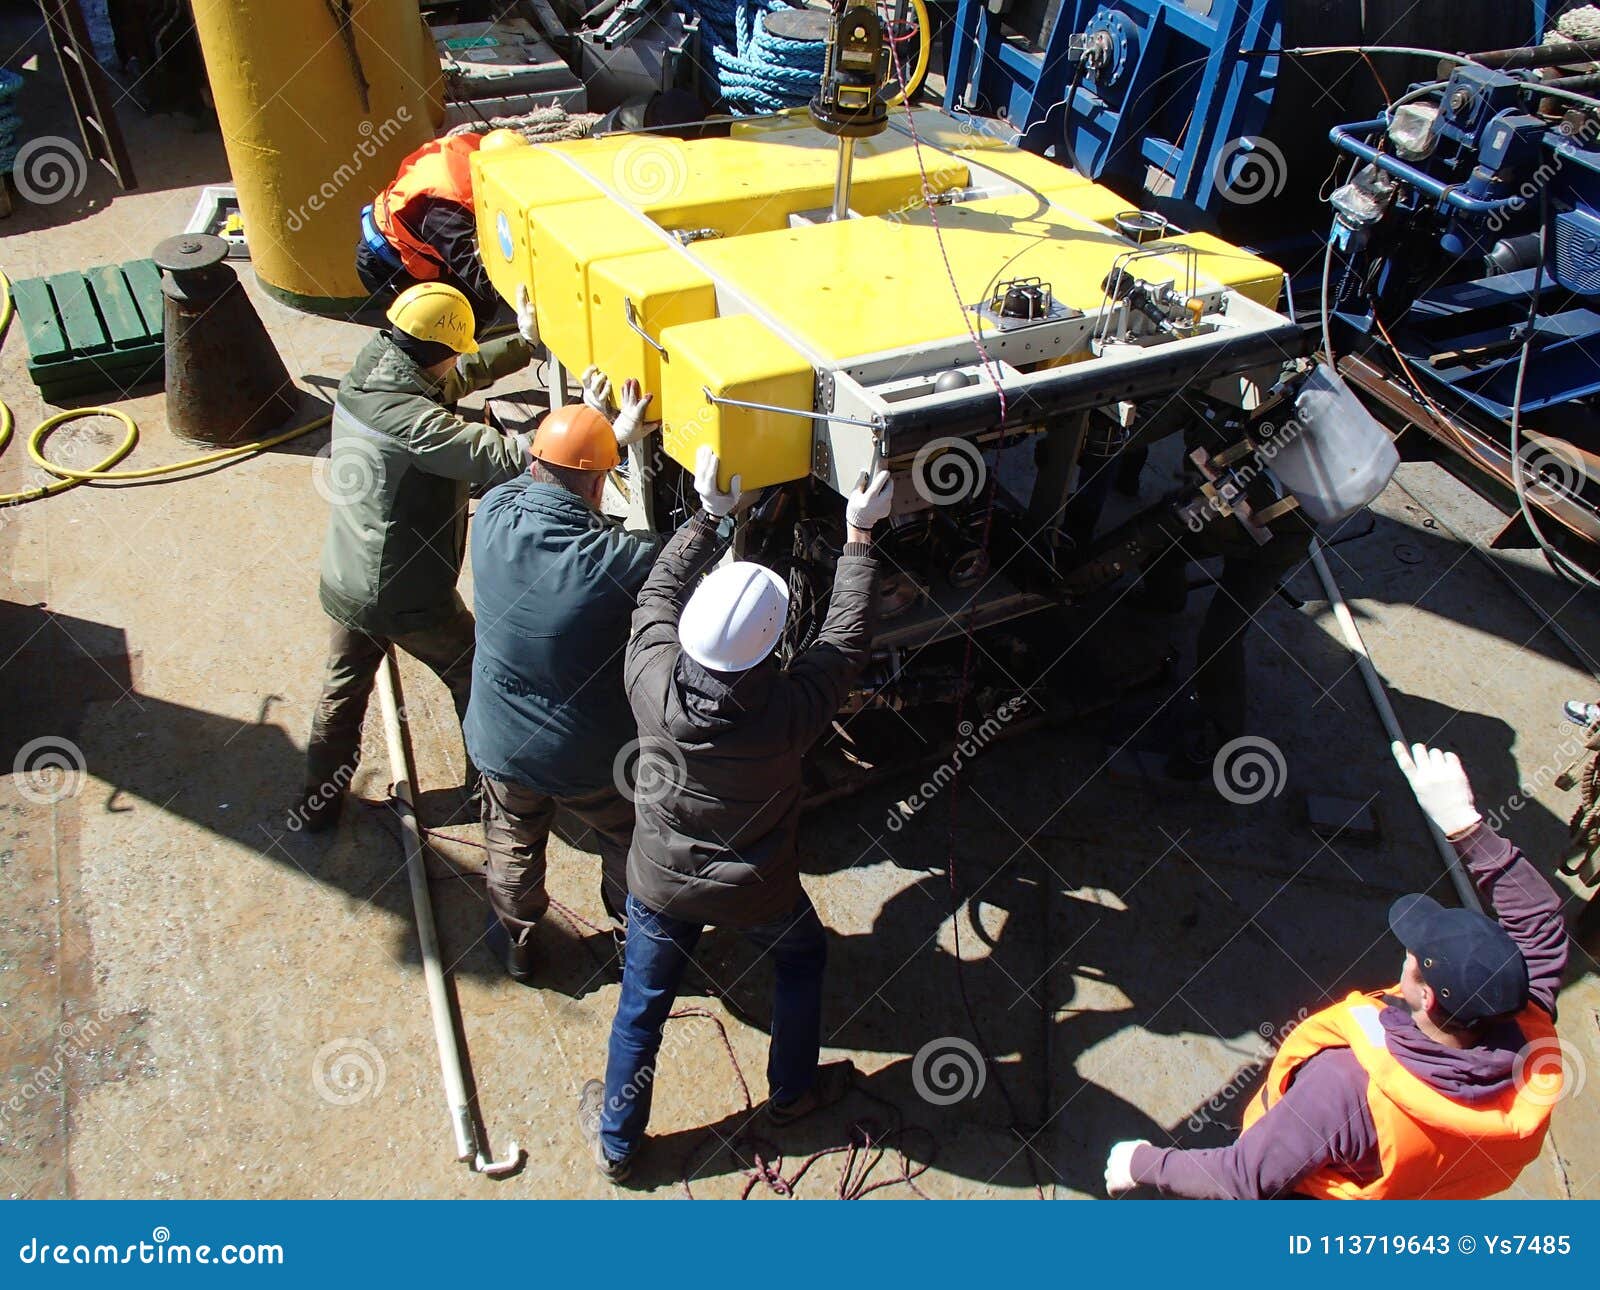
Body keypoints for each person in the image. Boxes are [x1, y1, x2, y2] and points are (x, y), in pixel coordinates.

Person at [577, 448, 894, 1181]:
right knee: (802, 957)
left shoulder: (648, 675)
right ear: (770, 647)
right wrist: (858, 537)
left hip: (657, 879)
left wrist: (707, 518)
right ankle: (791, 1094)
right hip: (760, 887)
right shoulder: (787, 712)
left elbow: (653, 597)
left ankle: (619, 1144)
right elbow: (845, 639)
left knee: (642, 1007)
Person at [1105, 742, 1569, 1200]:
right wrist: (1464, 825)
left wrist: (1142, 1162)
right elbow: (1540, 920)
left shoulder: (1344, 1086)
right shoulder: (1526, 1021)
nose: (1406, 952)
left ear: (1426, 996)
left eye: (1415, 954)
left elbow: (1242, 1178)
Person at [297, 281, 541, 833]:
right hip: (403, 592)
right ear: (439, 348)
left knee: (344, 690)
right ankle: (490, 801)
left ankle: (316, 805)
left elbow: (454, 375)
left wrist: (522, 344)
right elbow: (497, 456)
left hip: (347, 576)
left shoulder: (375, 367)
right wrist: (594, 431)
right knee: (476, 675)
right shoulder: (414, 424)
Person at [464, 381, 659, 982]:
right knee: (627, 835)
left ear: (532, 463)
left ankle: (520, 946)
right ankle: (636, 945)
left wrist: (608, 436)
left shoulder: (493, 510)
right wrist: (719, 516)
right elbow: (678, 555)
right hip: (585, 757)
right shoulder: (609, 560)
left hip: (499, 738)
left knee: (513, 841)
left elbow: (548, 477)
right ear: (601, 485)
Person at [357, 129, 528, 335]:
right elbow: (479, 280)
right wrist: (530, 297)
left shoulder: (479, 149)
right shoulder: (447, 212)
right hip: (388, 266)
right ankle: (456, 363)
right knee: (443, 326)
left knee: (473, 306)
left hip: (420, 241)